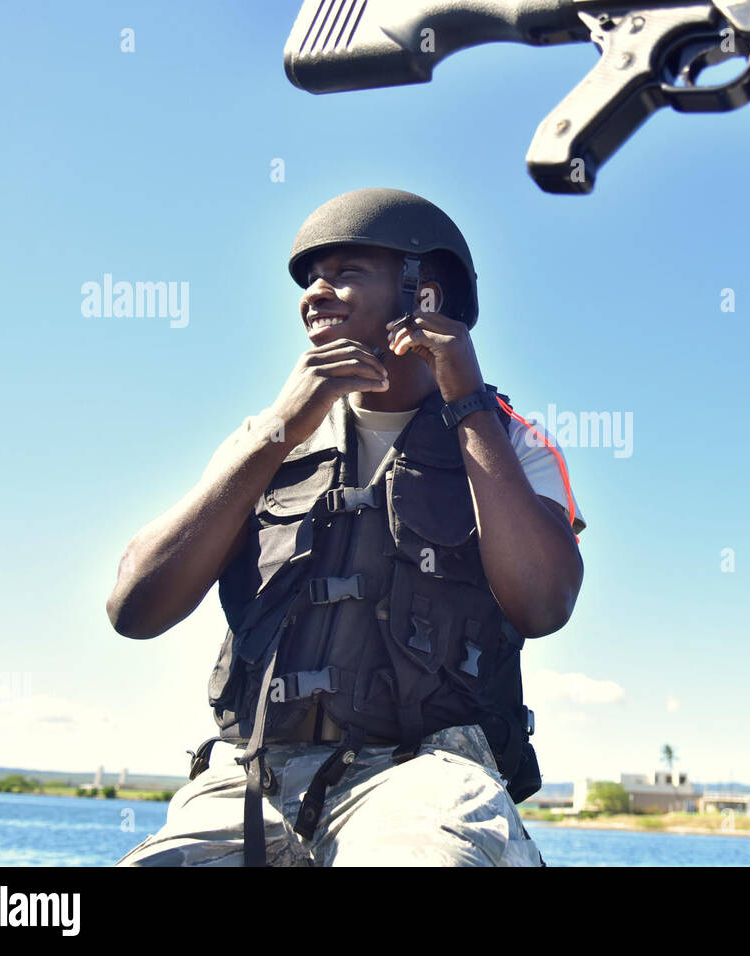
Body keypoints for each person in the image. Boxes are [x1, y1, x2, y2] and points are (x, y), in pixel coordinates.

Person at [107, 188, 585, 866]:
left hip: (426, 775)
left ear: (424, 293)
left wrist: (467, 401)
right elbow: (134, 608)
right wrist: (275, 431)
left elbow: (543, 603)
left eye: (346, 272)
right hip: (251, 778)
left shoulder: (513, 442)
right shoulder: (263, 442)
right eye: (311, 279)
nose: (315, 294)